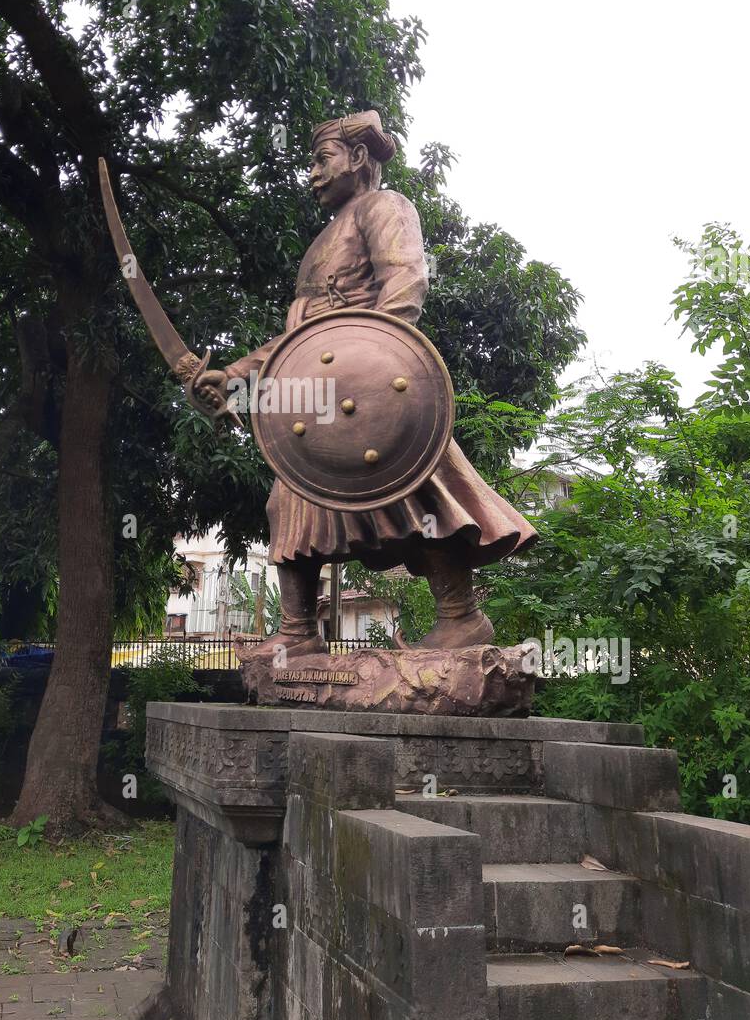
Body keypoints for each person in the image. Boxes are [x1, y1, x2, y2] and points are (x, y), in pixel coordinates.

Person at [196, 110, 536, 657]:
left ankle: (461, 618)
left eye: (321, 159)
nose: (311, 174)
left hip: (373, 395)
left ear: (357, 157)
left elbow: (404, 284)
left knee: (425, 497)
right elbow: (299, 342)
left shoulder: (385, 207)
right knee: (291, 502)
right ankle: (299, 633)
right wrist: (234, 377)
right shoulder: (326, 236)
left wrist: (377, 375)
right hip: (314, 405)